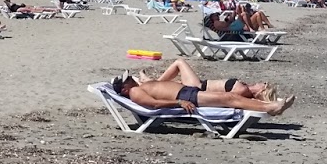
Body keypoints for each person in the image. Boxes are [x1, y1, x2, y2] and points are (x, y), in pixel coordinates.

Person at [111, 58, 295, 116]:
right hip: (186, 96)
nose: (131, 80)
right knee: (229, 99)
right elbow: (154, 104)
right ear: (125, 89)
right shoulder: (135, 92)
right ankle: (271, 107)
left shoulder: (137, 87)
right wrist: (179, 102)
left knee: (230, 99)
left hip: (187, 92)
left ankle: (269, 105)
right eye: (128, 81)